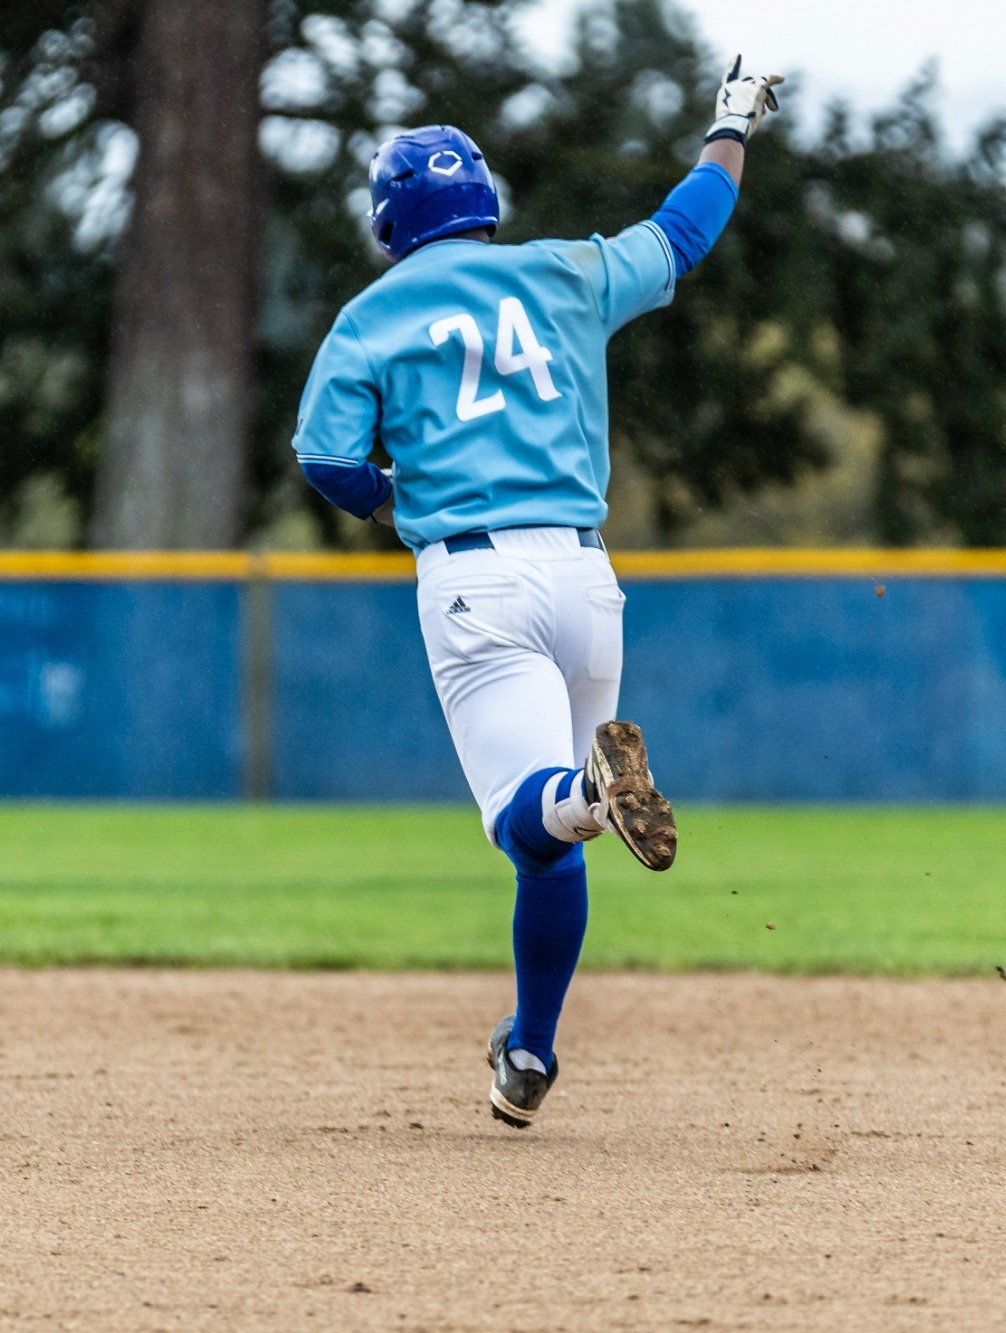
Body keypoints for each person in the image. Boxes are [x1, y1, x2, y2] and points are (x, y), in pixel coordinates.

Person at [291, 58, 786, 1128]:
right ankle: (529, 1054)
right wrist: (730, 121)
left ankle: (585, 794)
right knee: (558, 840)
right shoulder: (567, 272)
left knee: (534, 822)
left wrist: (386, 494)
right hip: (582, 575)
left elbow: (321, 459)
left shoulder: (369, 318)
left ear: (390, 224)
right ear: (482, 201)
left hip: (476, 581)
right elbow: (684, 230)